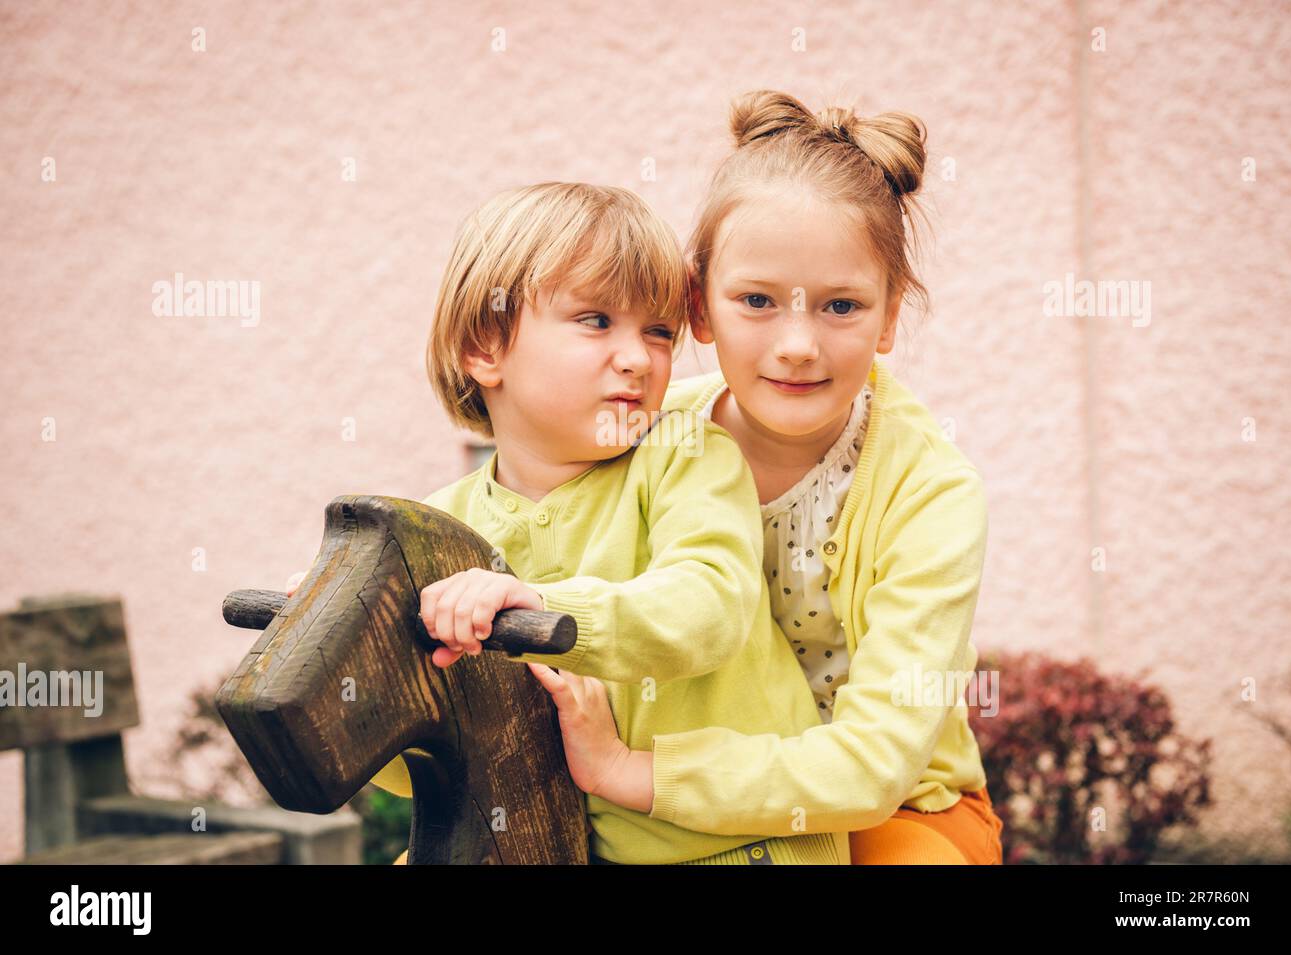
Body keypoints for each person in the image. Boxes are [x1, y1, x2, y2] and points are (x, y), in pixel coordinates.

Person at [289, 181, 849, 865]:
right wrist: (350, 651)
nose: (639, 357)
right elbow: (428, 764)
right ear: (484, 345)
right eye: (595, 320)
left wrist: (545, 606)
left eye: (659, 330)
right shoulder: (440, 529)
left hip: (740, 846)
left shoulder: (686, 457)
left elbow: (708, 607)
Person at [528, 90, 1004, 864]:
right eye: (755, 300)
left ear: (889, 318)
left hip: (890, 807)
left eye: (840, 305)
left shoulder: (931, 492)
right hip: (665, 810)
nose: (795, 345)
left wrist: (634, 772)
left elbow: (874, 765)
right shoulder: (652, 434)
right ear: (700, 303)